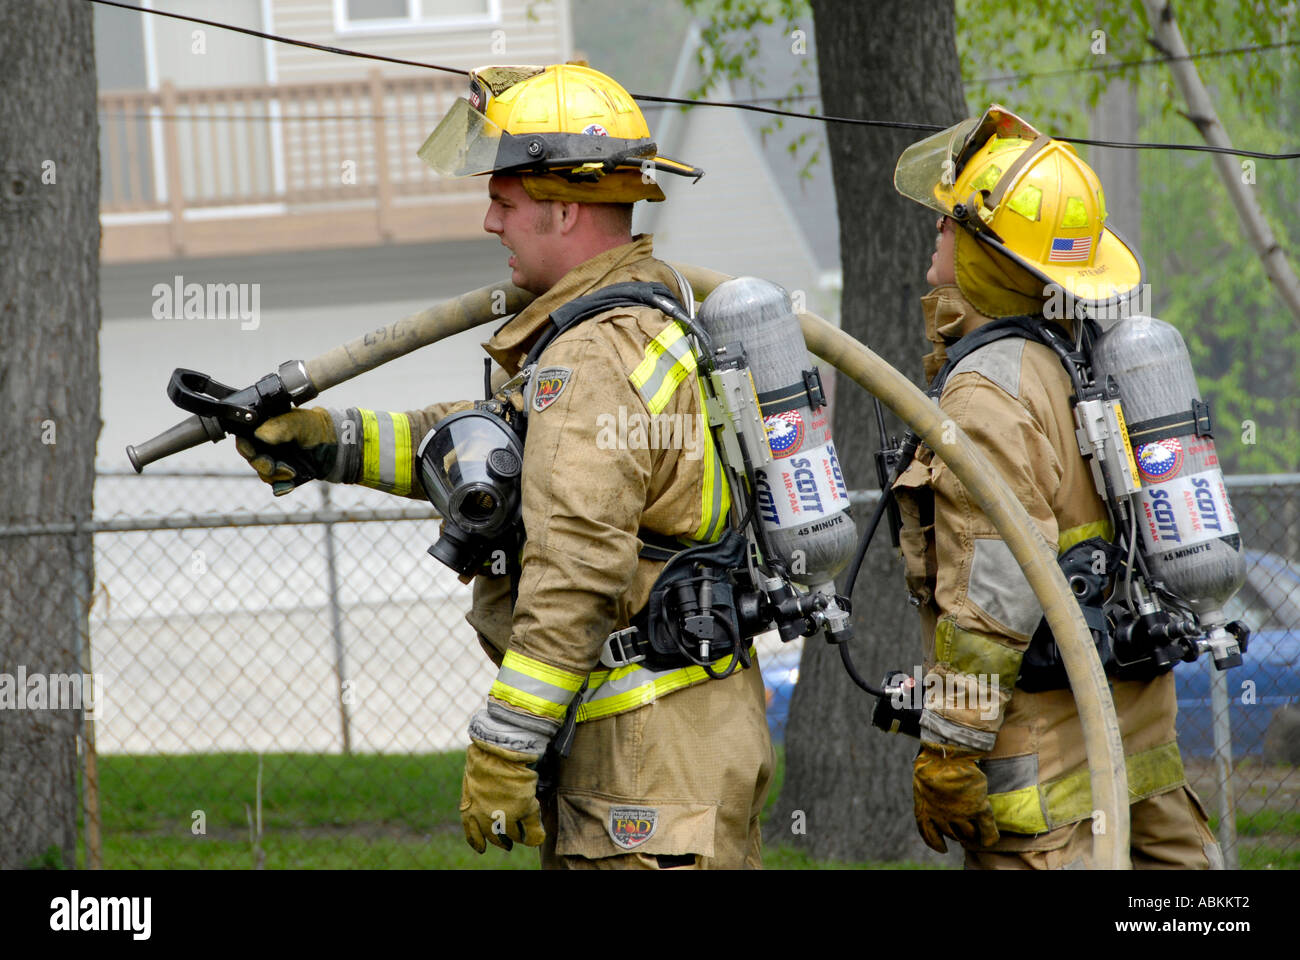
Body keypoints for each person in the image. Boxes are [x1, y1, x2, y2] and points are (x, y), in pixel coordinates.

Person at [235, 63, 773, 869]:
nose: (489, 221)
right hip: (662, 741)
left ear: (563, 207)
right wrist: (322, 437)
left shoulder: (592, 354)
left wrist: (504, 747)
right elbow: (494, 453)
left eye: (505, 200)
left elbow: (579, 563)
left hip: (649, 759)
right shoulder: (622, 319)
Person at [890, 106, 1222, 869]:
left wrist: (950, 752)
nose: (937, 233)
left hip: (1045, 772)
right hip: (1140, 747)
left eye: (952, 224)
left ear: (988, 255)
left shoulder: (988, 389)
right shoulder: (1093, 356)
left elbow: (990, 598)